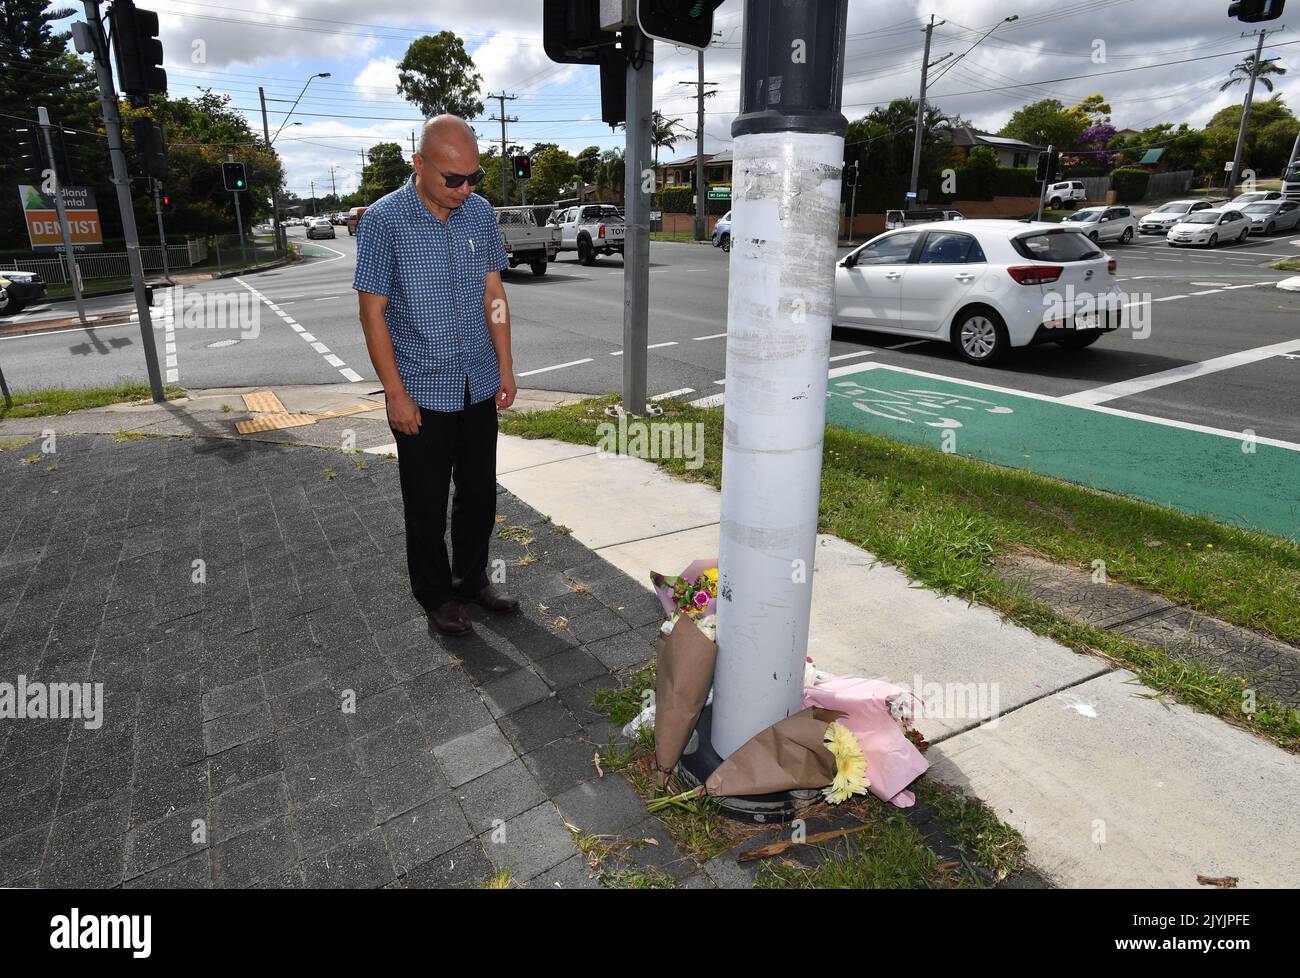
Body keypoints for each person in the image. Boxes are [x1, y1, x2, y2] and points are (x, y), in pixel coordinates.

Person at [353, 114, 519, 637]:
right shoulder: (384, 220)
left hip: (477, 379)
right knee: (425, 503)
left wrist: (506, 367)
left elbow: (494, 293)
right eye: (453, 179)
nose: (465, 189)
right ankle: (434, 594)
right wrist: (394, 395)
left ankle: (471, 579)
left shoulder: (479, 214)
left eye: (473, 177)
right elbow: (372, 312)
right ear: (419, 163)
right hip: (421, 389)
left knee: (479, 495)